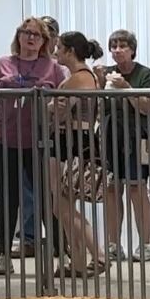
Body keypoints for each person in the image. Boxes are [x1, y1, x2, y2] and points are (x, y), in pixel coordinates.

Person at [0, 17, 68, 274]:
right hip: (4, 140)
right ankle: (4, 255)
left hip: (39, 143)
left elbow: (63, 103)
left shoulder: (53, 68)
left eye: (36, 35)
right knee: (8, 198)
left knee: (47, 199)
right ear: (18, 36)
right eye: (25, 33)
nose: (30, 38)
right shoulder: (2, 64)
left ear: (44, 41)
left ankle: (60, 254)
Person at [97, 29, 150, 263]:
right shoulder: (105, 73)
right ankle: (114, 244)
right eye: (113, 46)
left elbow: (149, 107)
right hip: (110, 136)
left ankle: (145, 245)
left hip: (138, 136)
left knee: (137, 188)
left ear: (132, 49)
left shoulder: (144, 74)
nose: (117, 50)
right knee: (112, 189)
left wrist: (126, 88)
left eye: (122, 46)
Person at [49, 32, 109, 277]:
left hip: (71, 142)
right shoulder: (86, 77)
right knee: (62, 204)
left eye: (59, 48)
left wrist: (47, 105)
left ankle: (98, 255)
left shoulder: (79, 78)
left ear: (70, 51)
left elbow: (60, 111)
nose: (55, 52)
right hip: (74, 141)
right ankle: (80, 260)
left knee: (61, 205)